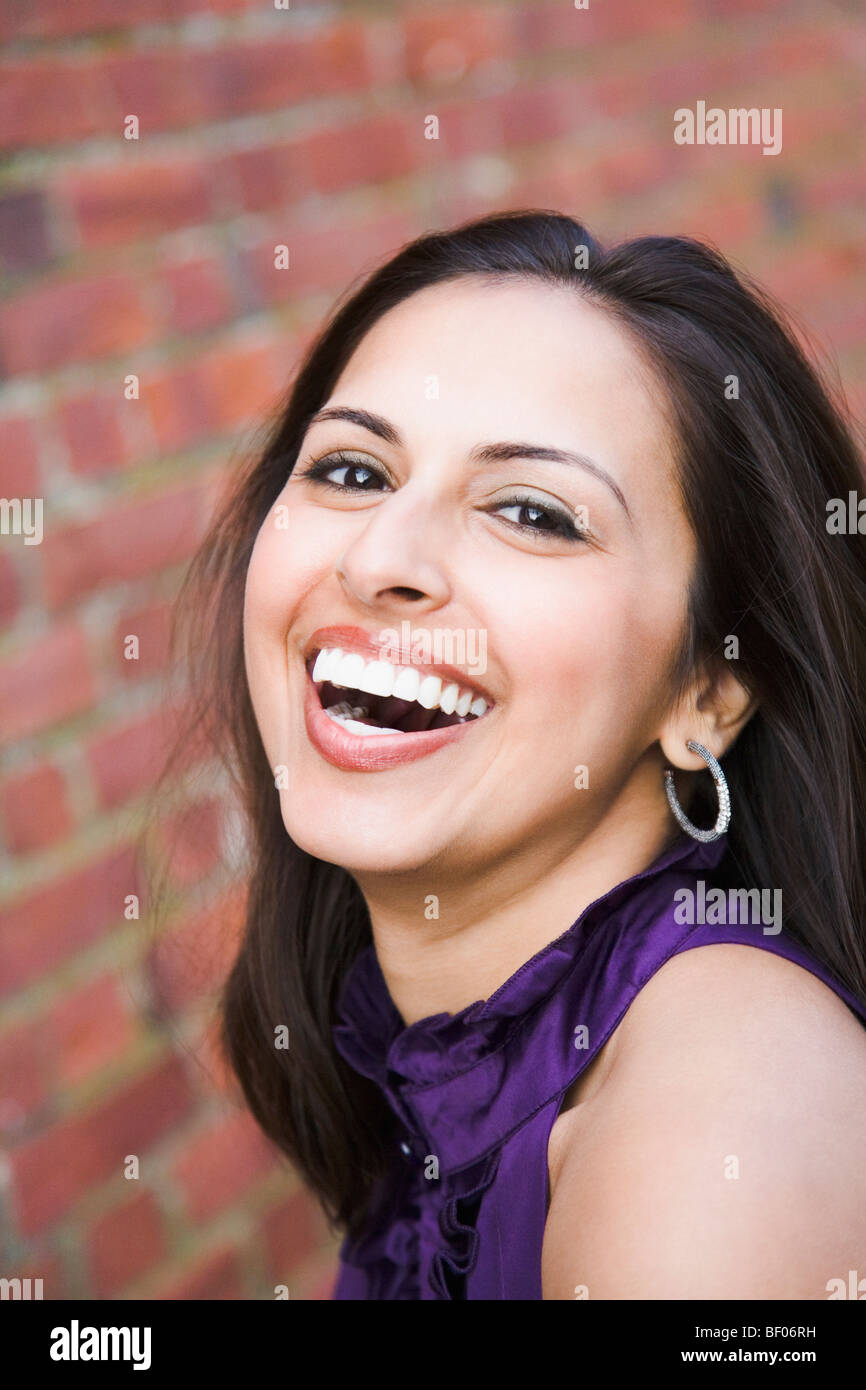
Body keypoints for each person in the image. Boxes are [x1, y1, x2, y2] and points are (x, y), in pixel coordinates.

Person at [176, 210, 866, 1299]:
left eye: (534, 512)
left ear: (707, 690)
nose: (381, 558)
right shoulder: (447, 1060)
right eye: (353, 471)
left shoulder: (718, 1141)